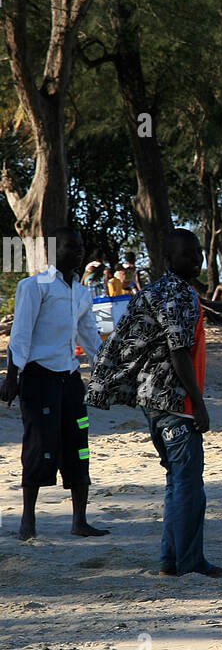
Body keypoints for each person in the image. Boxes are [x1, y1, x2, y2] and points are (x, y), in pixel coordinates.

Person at [87, 229, 222, 578]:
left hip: (152, 402)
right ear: (168, 259)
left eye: (198, 253)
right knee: (189, 485)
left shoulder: (151, 291)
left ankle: (170, 560)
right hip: (175, 402)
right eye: (187, 254)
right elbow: (179, 352)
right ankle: (190, 562)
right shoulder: (177, 295)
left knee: (175, 482)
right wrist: (199, 403)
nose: (196, 260)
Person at [1, 226, 107, 540]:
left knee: (78, 445)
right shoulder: (36, 286)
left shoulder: (82, 292)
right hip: (38, 377)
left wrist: (106, 373)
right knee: (38, 444)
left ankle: (80, 521)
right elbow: (20, 333)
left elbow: (90, 338)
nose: (78, 251)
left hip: (70, 379)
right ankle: (27, 522)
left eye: (81, 246)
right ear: (53, 250)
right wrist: (12, 376)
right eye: (71, 246)